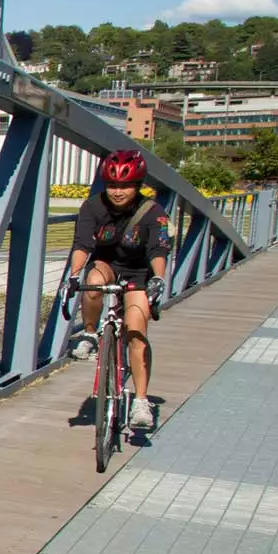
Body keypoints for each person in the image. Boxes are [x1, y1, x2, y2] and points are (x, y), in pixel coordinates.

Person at [64, 149, 170, 430]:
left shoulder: (152, 212)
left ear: (137, 185)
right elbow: (83, 244)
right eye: (112, 185)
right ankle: (89, 334)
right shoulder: (93, 207)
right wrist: (73, 276)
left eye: (125, 185)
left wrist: (158, 278)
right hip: (107, 265)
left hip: (138, 273)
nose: (118, 192)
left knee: (136, 331)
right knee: (94, 282)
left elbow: (158, 249)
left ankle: (141, 402)